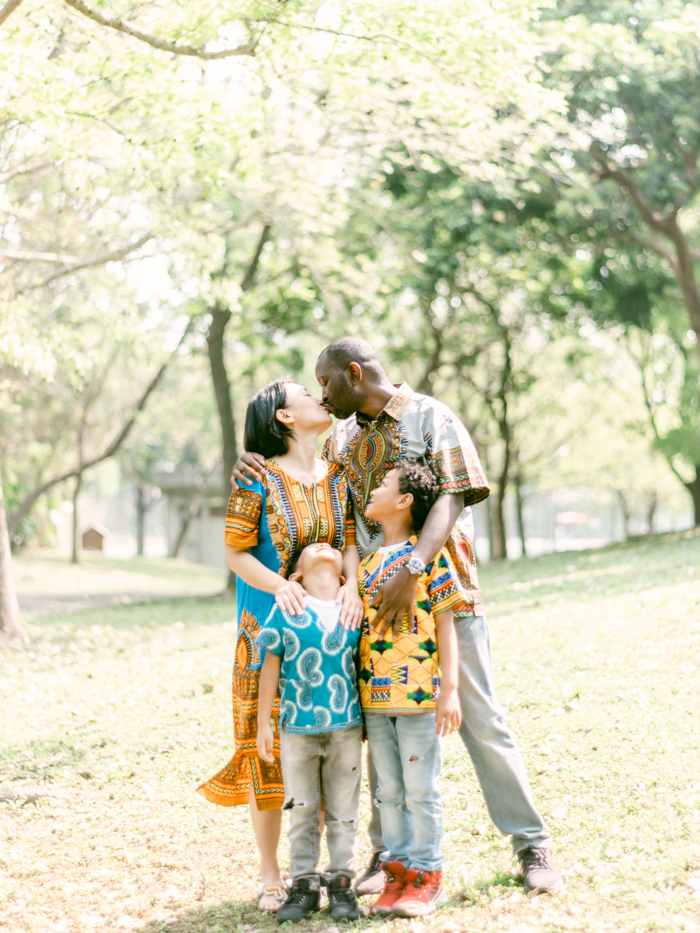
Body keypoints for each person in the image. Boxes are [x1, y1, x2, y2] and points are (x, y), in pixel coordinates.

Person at [232, 339, 563, 895]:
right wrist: (251, 459)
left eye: (326, 383)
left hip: (442, 600)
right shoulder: (343, 437)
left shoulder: (431, 417)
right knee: (379, 725)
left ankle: (532, 844)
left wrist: (413, 568)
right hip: (373, 608)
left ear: (354, 373)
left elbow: (454, 496)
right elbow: (299, 465)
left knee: (479, 717)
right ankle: (388, 856)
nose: (321, 395)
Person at [197, 379, 362, 913]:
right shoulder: (257, 478)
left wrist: (353, 588)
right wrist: (281, 586)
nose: (319, 398)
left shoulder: (338, 475)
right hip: (265, 632)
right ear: (285, 417)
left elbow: (348, 542)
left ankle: (318, 871)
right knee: (266, 752)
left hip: (329, 637)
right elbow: (235, 552)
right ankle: (272, 874)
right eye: (306, 395)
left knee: (324, 745)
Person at [359, 460, 463, 917]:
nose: (372, 489)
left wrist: (450, 689)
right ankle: (397, 873)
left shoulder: (431, 559)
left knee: (421, 790)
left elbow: (446, 625)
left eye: (382, 483)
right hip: (374, 700)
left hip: (420, 697)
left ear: (404, 500)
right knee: (388, 794)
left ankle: (426, 874)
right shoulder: (364, 565)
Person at [256, 542, 363, 924]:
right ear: (296, 574)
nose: (324, 546)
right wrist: (263, 724)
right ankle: (303, 884)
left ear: (343, 572)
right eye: (312, 548)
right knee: (301, 810)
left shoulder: (354, 607)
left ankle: (341, 884)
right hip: (297, 732)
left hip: (346, 728)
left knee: (343, 812)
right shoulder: (288, 607)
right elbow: (270, 665)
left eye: (333, 546)